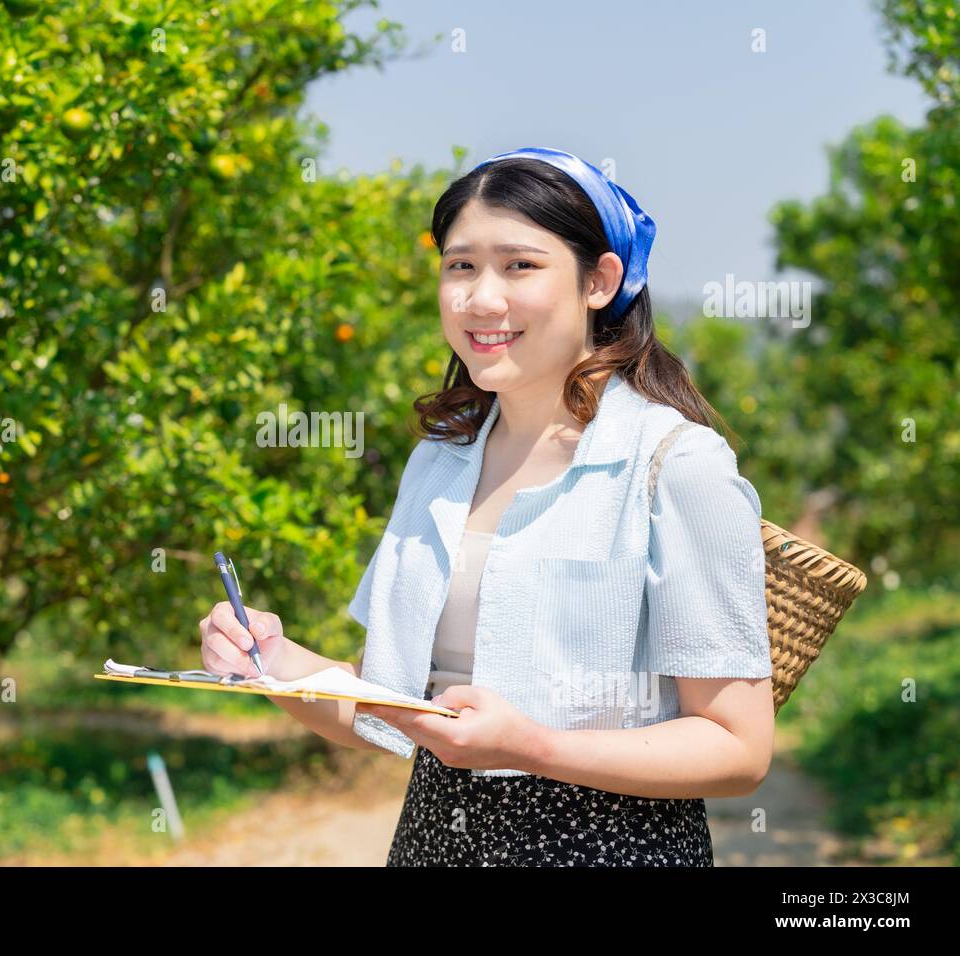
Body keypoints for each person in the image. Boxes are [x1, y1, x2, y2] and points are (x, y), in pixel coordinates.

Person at [198, 147, 774, 866]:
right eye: (461, 265)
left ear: (600, 281)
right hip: (433, 843)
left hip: (607, 849)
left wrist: (532, 747)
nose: (481, 298)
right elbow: (391, 709)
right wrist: (269, 660)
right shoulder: (440, 462)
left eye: (520, 265)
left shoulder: (673, 464)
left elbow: (737, 747)